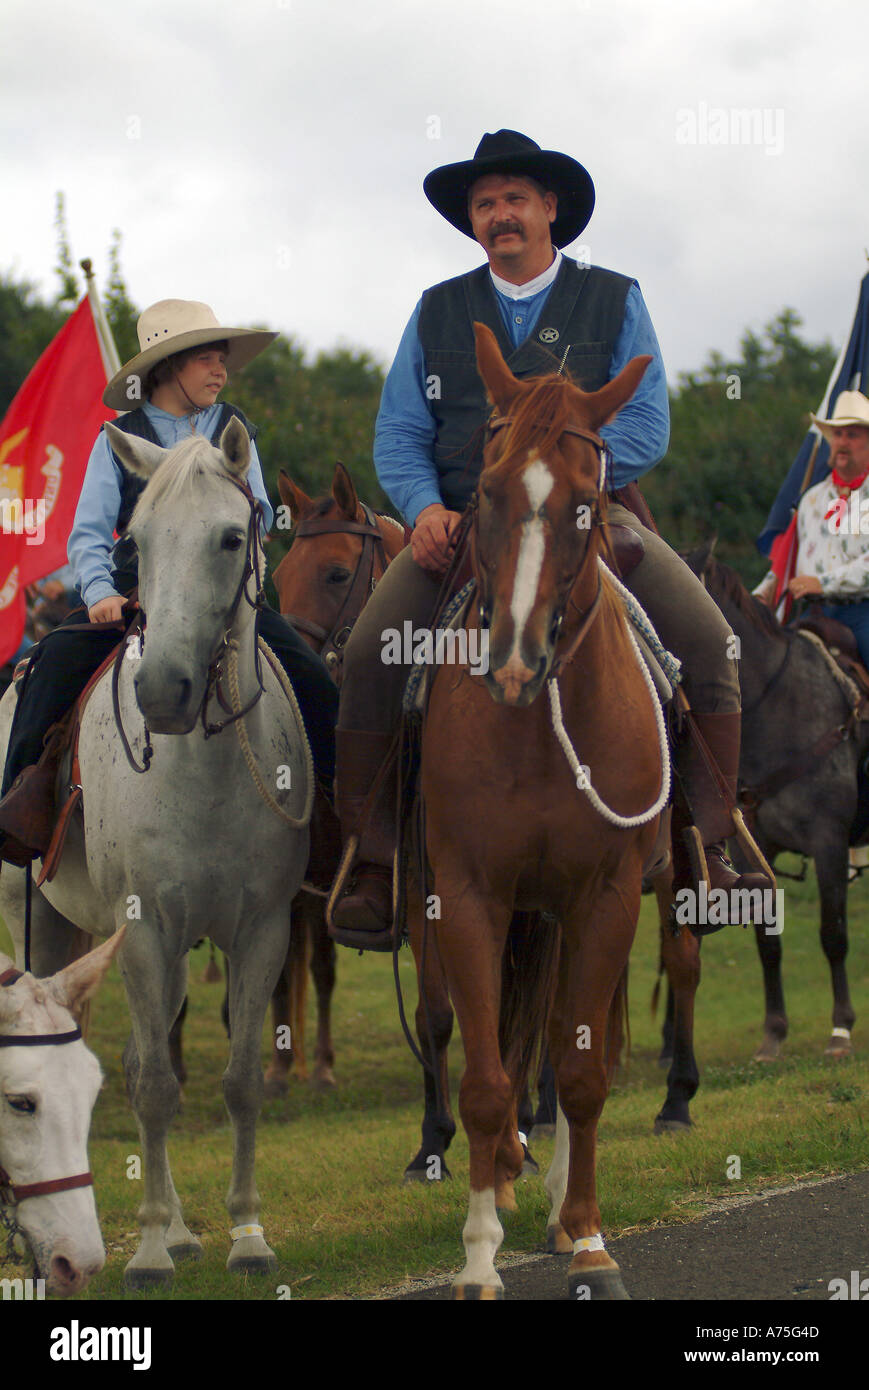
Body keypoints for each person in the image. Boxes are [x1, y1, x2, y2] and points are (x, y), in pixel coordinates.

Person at [329, 128, 770, 951]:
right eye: (484, 203)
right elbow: (399, 430)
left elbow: (645, 421)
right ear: (473, 220)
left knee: (712, 643)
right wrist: (425, 507)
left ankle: (711, 848)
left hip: (586, 512)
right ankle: (376, 859)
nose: (499, 215)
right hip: (464, 524)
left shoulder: (614, 296)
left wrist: (567, 479)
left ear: (549, 210)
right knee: (365, 652)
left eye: (514, 200)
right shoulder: (436, 309)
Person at [0, 299, 337, 865]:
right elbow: (86, 535)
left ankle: (341, 820)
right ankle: (22, 800)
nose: (220, 372)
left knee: (313, 677)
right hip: (137, 590)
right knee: (52, 662)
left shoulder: (237, 432)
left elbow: (255, 521)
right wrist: (100, 593)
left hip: (225, 591)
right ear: (167, 367)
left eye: (221, 361)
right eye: (206, 359)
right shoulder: (117, 440)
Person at [756, 391, 869, 665]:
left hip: (862, 614)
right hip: (815, 613)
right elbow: (788, 563)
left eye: (852, 435)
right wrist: (757, 598)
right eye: (838, 435)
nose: (842, 442)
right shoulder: (811, 499)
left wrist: (824, 583)